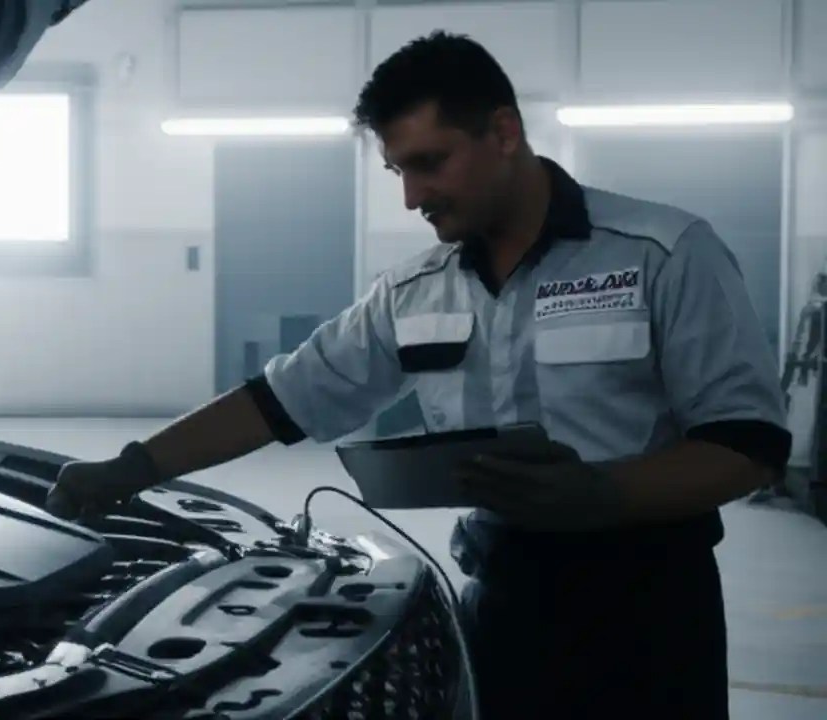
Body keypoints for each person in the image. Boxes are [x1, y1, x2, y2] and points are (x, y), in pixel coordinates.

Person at [45, 31, 790, 720]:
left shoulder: (662, 254)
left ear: (504, 132)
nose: (411, 196)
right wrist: (133, 467)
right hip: (503, 601)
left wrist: (603, 493)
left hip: (650, 610)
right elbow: (278, 400)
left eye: (430, 162)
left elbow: (748, 446)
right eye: (398, 170)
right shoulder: (412, 293)